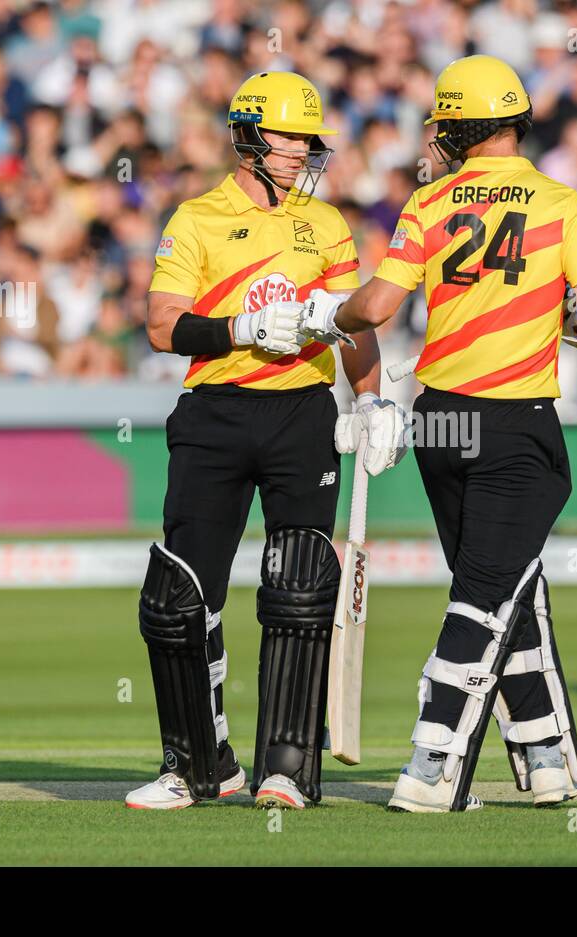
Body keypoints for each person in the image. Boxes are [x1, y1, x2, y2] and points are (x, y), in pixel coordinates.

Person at [302, 55, 577, 812]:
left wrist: (323, 315)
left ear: (462, 128)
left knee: (509, 588)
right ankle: (430, 765)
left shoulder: (429, 203)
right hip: (517, 421)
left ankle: (544, 754)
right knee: (485, 596)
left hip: (442, 419)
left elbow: (375, 307)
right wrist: (568, 320)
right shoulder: (561, 202)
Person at [124, 71, 407, 813]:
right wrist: (241, 330)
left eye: (308, 140)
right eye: (288, 138)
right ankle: (196, 763)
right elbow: (161, 325)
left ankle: (287, 767)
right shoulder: (196, 218)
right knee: (179, 599)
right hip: (213, 413)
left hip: (302, 416)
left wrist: (374, 400)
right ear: (248, 135)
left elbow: (355, 325)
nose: (302, 152)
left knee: (301, 589)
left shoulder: (329, 224)